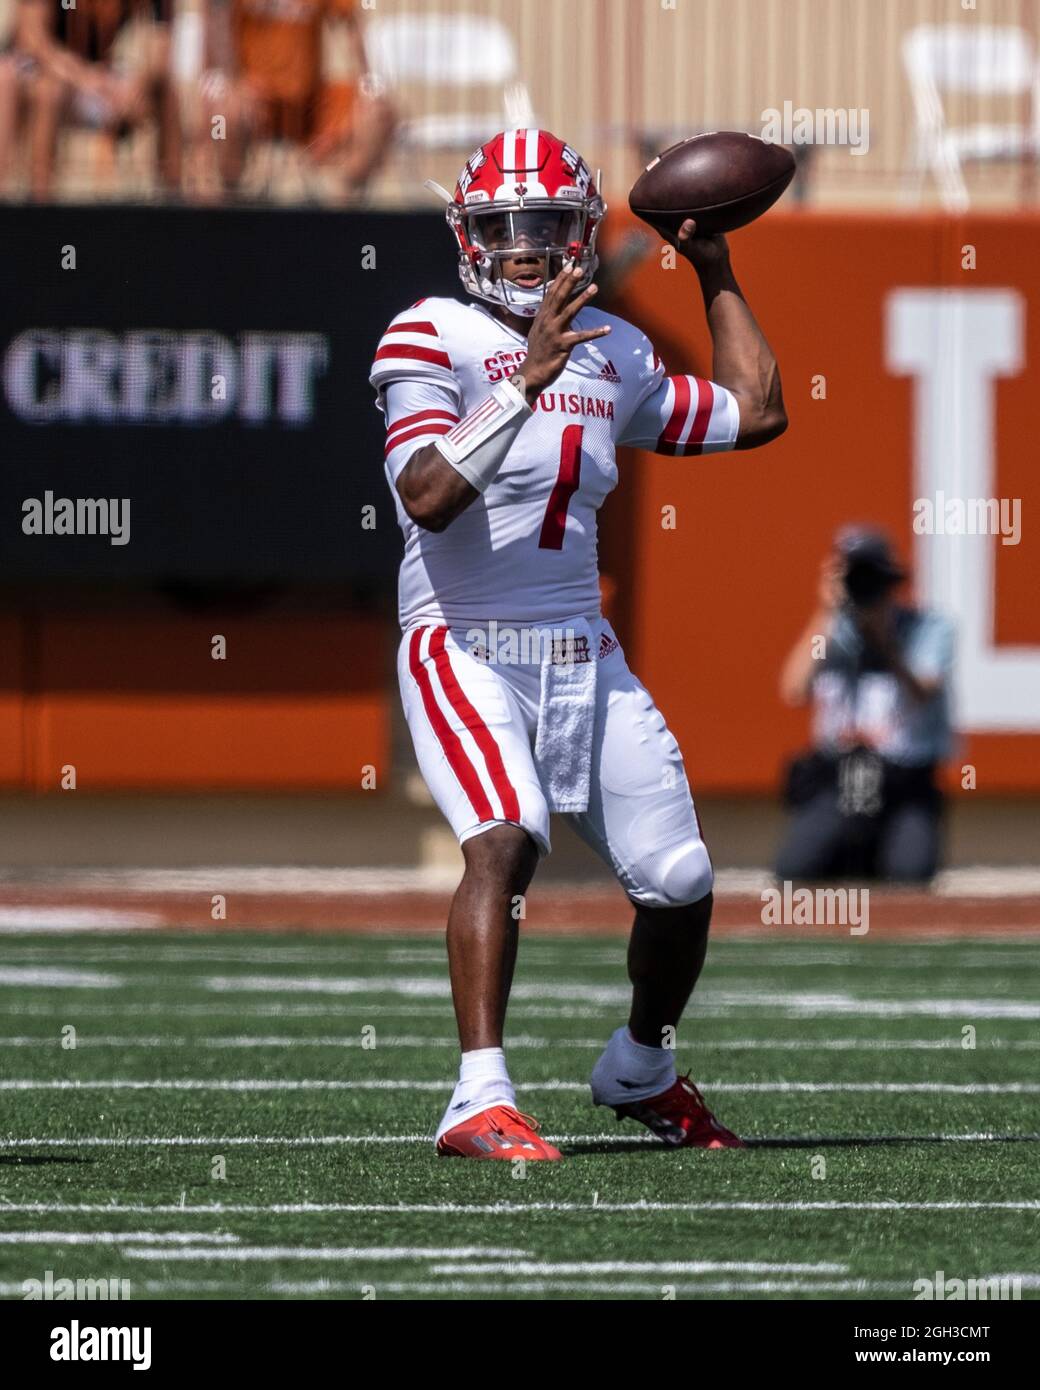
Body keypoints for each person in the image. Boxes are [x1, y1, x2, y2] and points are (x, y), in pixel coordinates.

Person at [368, 129, 786, 1160]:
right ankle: (476, 1097)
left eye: (546, 228)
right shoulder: (428, 335)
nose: (523, 250)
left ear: (581, 238)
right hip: (459, 639)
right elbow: (424, 495)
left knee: (681, 878)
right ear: (469, 237)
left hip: (575, 651)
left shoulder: (616, 347)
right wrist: (519, 385)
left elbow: (756, 409)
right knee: (505, 835)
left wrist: (714, 263)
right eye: (505, 230)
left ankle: (639, 1064)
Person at [776, 526, 954, 883]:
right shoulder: (832, 633)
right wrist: (825, 614)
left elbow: (924, 690)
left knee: (909, 876)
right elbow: (794, 690)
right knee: (794, 871)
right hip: (837, 781)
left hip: (904, 783)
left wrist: (883, 640)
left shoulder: (928, 628)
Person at [195, 0, 393, 199]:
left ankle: (340, 205)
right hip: (255, 99)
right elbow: (214, 45)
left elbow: (353, 27)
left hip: (310, 104)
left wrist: (371, 86)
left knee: (377, 114)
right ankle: (231, 205)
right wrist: (232, 87)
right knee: (224, 114)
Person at [3, 0, 178, 201]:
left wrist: (139, 84)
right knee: (47, 92)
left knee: (168, 91)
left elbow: (162, 43)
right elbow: (30, 38)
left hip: (104, 78)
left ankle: (175, 210)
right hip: (53, 74)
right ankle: (39, 209)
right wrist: (84, 77)